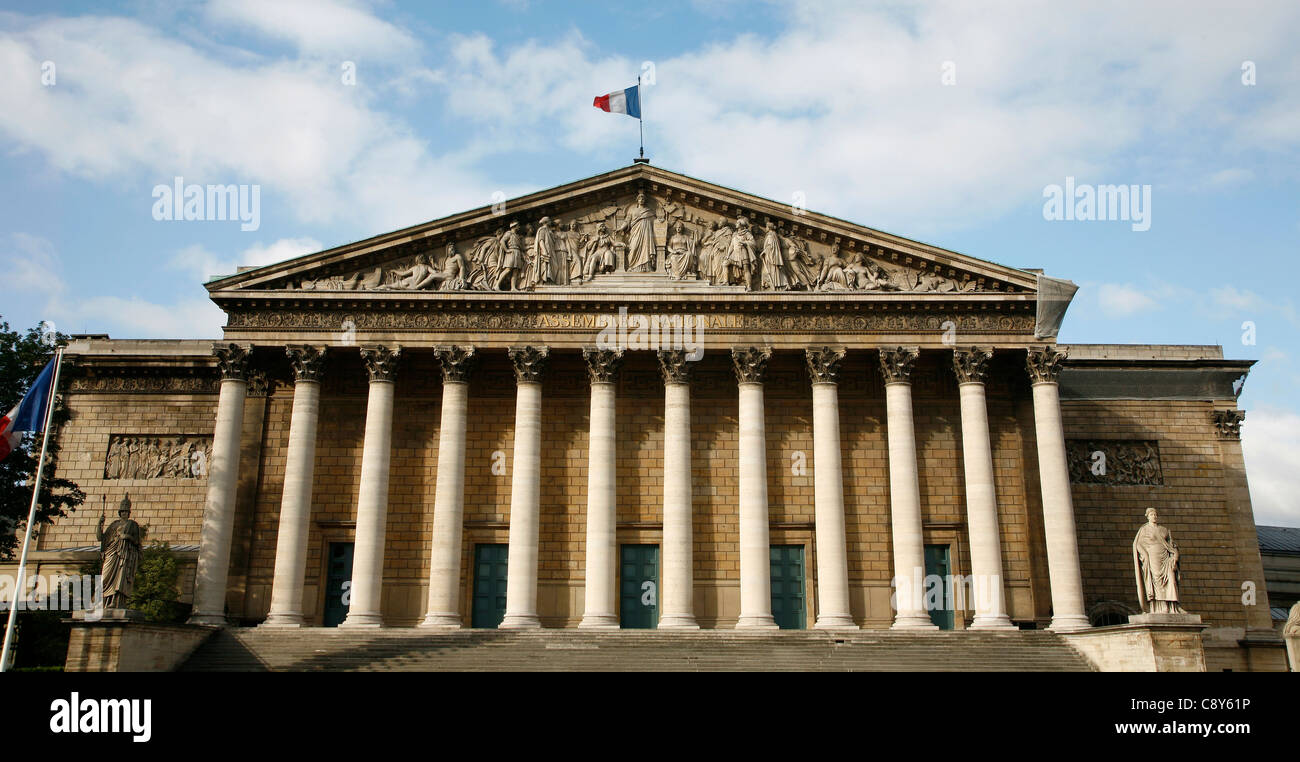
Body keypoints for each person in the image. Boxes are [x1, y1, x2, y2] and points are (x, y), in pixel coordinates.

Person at [1132, 507, 1184, 614]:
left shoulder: (1164, 530)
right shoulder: (1144, 530)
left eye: (1155, 514)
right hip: (1153, 558)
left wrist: (1175, 556)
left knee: (1171, 579)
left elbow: (1172, 545)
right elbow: (1138, 545)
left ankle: (1174, 606)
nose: (1154, 516)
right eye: (1151, 515)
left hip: (1166, 558)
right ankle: (1161, 606)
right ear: (1147, 516)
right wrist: (1145, 556)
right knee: (1157, 581)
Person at [97, 494, 143, 610]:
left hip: (124, 555)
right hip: (112, 553)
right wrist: (99, 524)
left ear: (129, 513)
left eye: (126, 511)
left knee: (120, 578)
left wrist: (126, 536)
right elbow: (101, 538)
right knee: (105, 577)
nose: (124, 513)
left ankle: (115, 601)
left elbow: (137, 541)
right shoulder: (114, 525)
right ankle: (101, 602)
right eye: (122, 511)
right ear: (119, 512)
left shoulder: (132, 525)